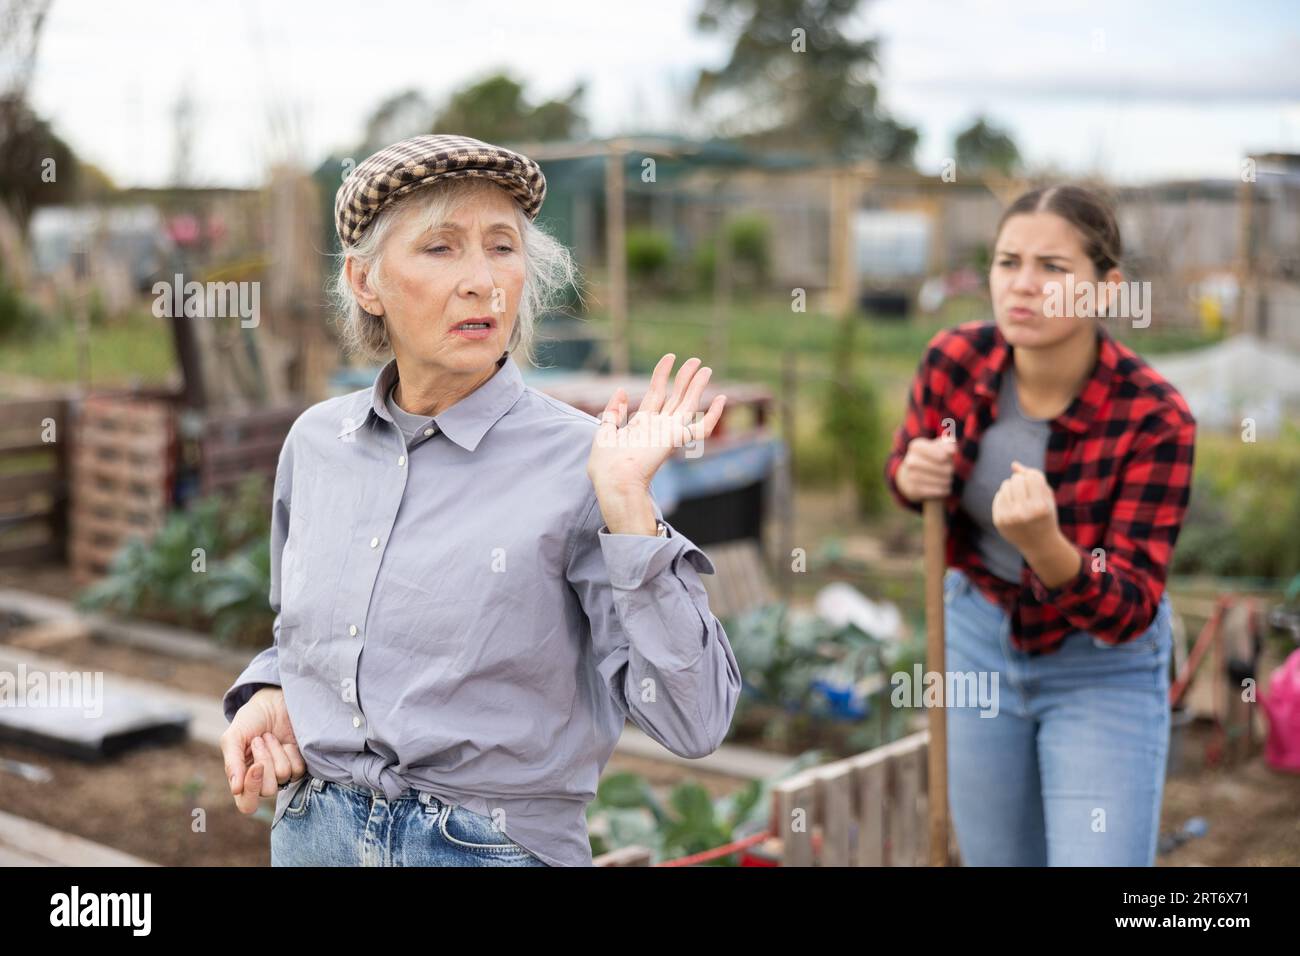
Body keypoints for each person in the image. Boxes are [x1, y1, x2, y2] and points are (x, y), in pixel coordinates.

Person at [219, 133, 742, 867]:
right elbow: (299, 631)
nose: (483, 282)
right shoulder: (316, 444)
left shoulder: (587, 465)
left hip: (484, 845)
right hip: (314, 837)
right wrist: (272, 688)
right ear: (366, 282)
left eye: (502, 247)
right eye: (440, 248)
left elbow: (697, 720)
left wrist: (630, 511)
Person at [885, 184, 1197, 866]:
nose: (1023, 285)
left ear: (1106, 290)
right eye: (1008, 262)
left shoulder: (1154, 418)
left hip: (1100, 665)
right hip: (976, 638)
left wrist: (1045, 547)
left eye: (1052, 267)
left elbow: (1129, 609)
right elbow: (910, 469)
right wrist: (910, 476)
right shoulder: (953, 361)